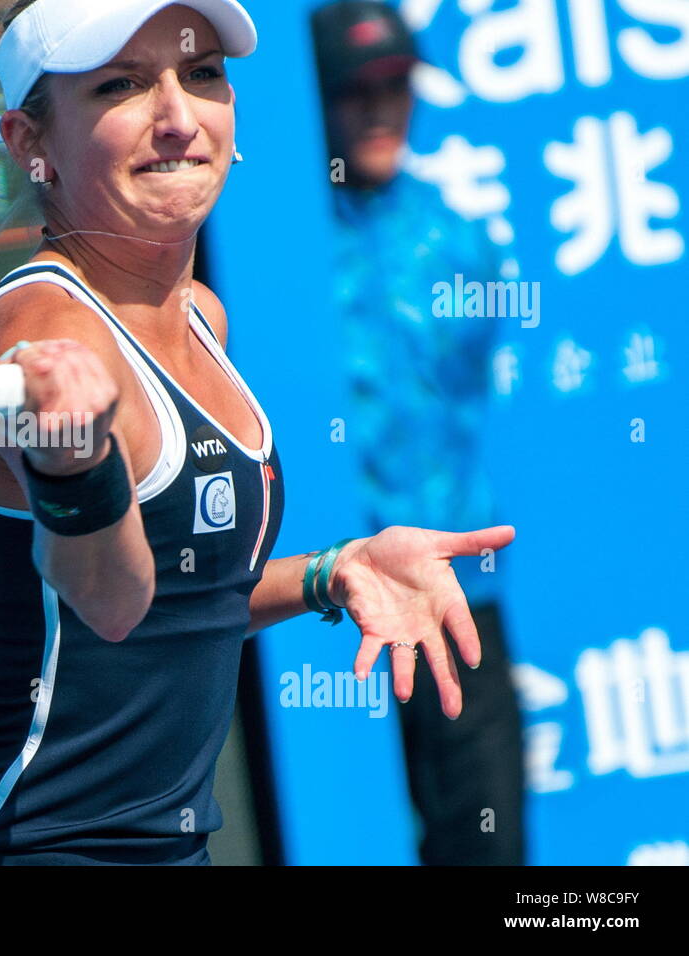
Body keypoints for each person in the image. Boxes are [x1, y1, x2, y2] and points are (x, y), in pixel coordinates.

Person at [0, 0, 513, 866]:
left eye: (201, 75)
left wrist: (328, 572)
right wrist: (73, 465)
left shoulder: (200, 318)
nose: (177, 118)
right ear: (27, 141)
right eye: (120, 85)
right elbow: (111, 602)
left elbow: (177, 603)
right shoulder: (43, 337)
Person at [310, 0, 526, 864]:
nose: (380, 111)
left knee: (490, 850)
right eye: (356, 90)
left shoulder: (460, 241)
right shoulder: (273, 252)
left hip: (451, 603)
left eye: (396, 86)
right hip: (323, 606)